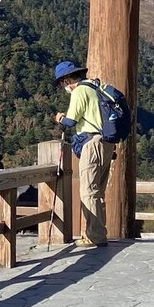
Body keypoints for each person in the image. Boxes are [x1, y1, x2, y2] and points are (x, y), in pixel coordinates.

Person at [53, 60, 113, 248]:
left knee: (88, 192)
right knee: (98, 192)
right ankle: (98, 232)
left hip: (92, 143)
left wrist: (60, 118)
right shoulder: (95, 88)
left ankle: (95, 236)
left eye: (62, 82)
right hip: (106, 143)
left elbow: (71, 121)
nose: (63, 86)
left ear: (67, 79)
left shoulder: (80, 91)